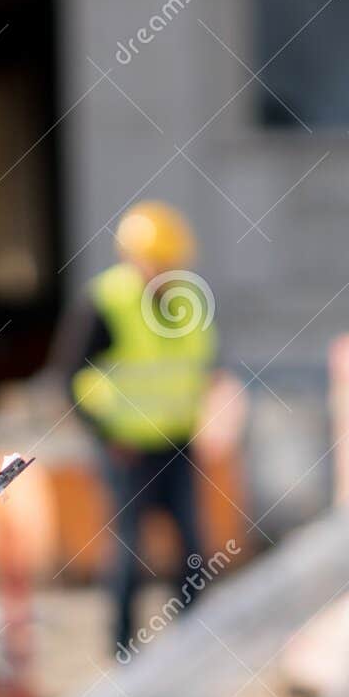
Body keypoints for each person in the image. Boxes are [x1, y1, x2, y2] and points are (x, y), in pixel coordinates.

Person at [51, 201, 217, 656]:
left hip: (178, 441)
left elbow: (199, 364)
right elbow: (68, 376)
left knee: (193, 547)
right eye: (156, 262)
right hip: (126, 449)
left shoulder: (187, 300)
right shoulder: (106, 301)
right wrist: (106, 434)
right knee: (129, 549)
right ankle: (123, 648)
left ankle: (191, 644)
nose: (164, 271)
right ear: (133, 257)